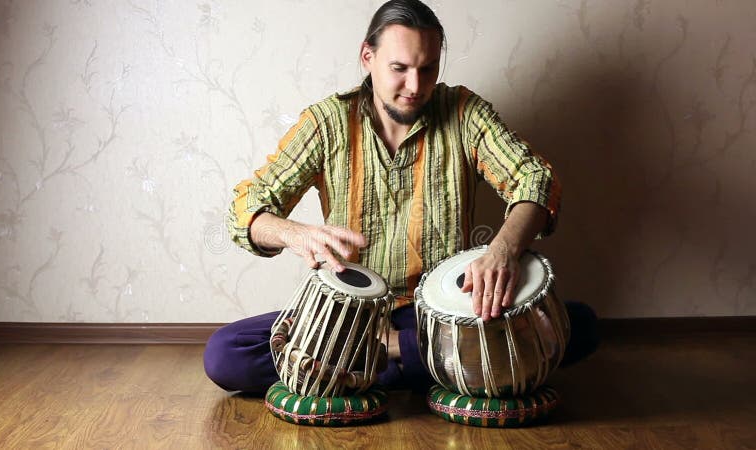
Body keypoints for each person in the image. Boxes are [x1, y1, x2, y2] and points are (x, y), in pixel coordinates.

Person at [205, 0, 597, 394]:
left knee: (577, 324)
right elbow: (246, 205)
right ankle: (428, 366)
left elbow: (535, 177)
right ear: (367, 57)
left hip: (444, 316)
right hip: (349, 319)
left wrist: (503, 251)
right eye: (399, 68)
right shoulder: (328, 123)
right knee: (226, 354)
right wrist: (294, 233)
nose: (415, 85)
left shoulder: (463, 113)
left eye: (427, 69)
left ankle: (369, 363)